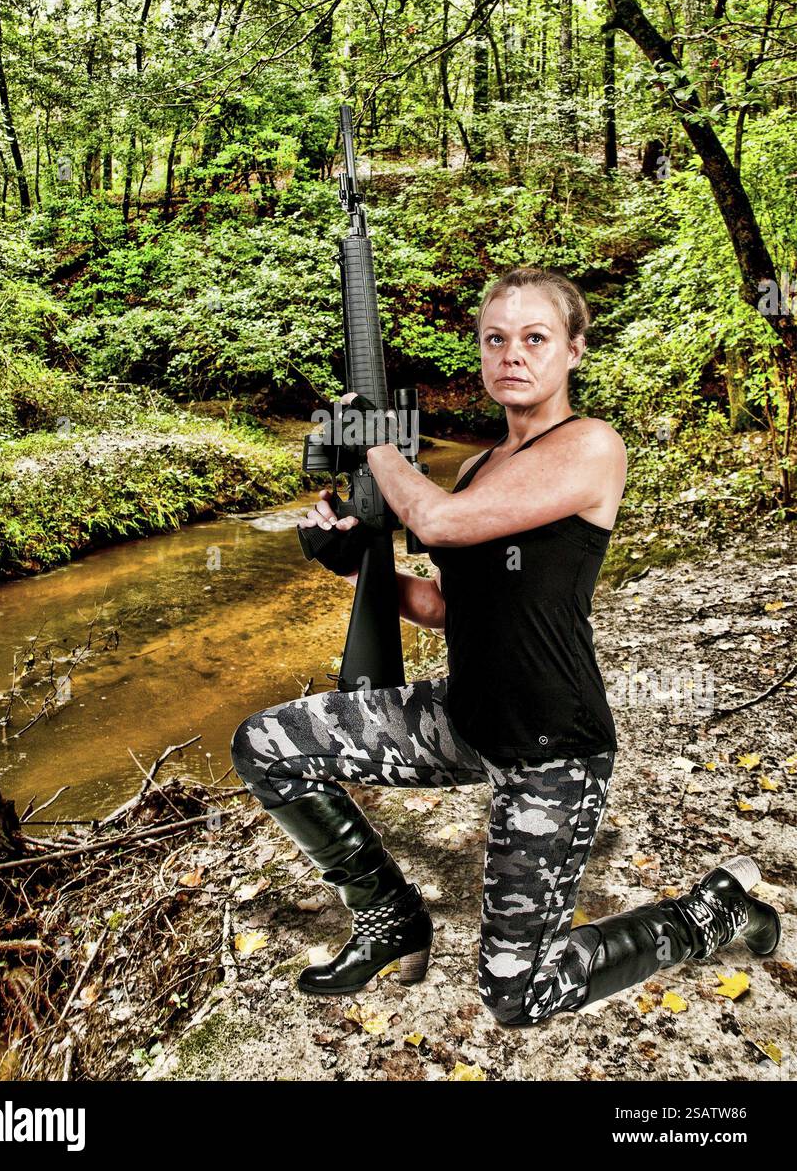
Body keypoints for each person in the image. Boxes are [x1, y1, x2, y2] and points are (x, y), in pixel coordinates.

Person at [230, 266, 781, 1026]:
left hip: (550, 744)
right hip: (464, 718)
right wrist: (355, 560)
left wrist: (377, 448)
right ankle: (388, 917)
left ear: (573, 351)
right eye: (495, 339)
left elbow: (442, 526)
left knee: (519, 997)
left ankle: (708, 914)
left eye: (533, 338)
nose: (511, 355)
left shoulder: (590, 447)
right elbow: (445, 606)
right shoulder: (477, 469)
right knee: (266, 744)